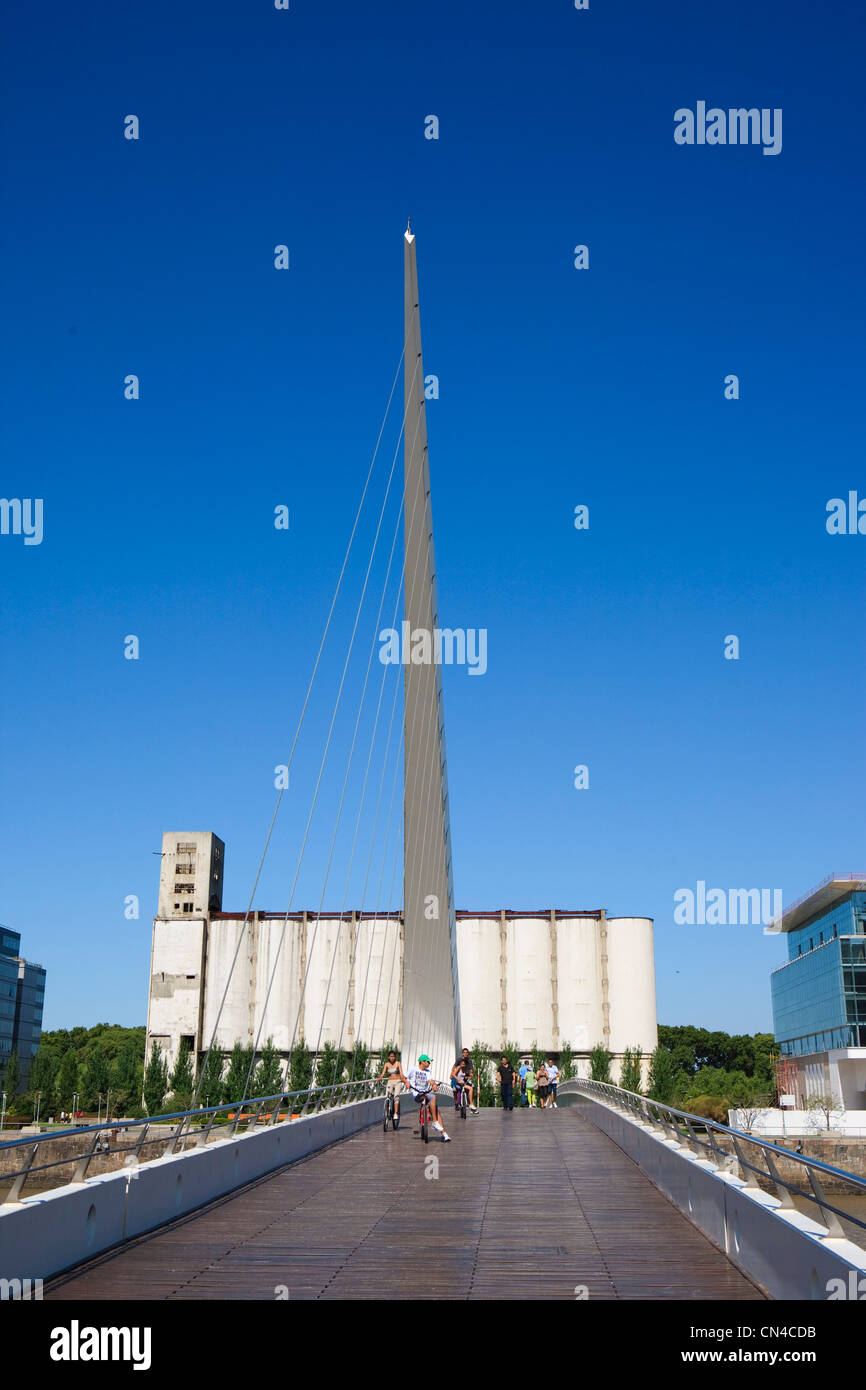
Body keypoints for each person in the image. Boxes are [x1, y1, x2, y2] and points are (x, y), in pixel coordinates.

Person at [404, 1055, 450, 1141]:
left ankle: (443, 1133)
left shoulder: (427, 1071)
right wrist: (406, 1082)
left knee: (436, 1110)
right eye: (428, 1061)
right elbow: (404, 1077)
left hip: (425, 1092)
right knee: (432, 1098)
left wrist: (434, 1084)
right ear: (422, 1062)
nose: (429, 1063)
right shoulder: (413, 1069)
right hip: (416, 1093)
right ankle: (435, 1122)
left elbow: (430, 1080)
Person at [377, 1049, 407, 1121]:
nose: (392, 1058)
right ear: (388, 1057)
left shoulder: (398, 1063)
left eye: (393, 1056)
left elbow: (401, 1073)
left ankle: (396, 1113)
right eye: (391, 1056)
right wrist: (380, 1078)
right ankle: (387, 1110)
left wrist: (404, 1080)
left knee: (396, 1096)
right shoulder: (386, 1064)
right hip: (390, 1081)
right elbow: (383, 1073)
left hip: (397, 1081)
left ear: (395, 1057)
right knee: (388, 1095)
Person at [449, 1047, 478, 1112]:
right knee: (455, 1090)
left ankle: (471, 1104)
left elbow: (470, 1070)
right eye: (464, 1052)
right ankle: (456, 1103)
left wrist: (470, 1075)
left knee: (471, 1087)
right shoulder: (459, 1061)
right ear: (462, 1053)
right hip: (457, 1078)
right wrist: (452, 1074)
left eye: (466, 1052)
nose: (465, 1054)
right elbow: (454, 1068)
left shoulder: (469, 1061)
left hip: (464, 1078)